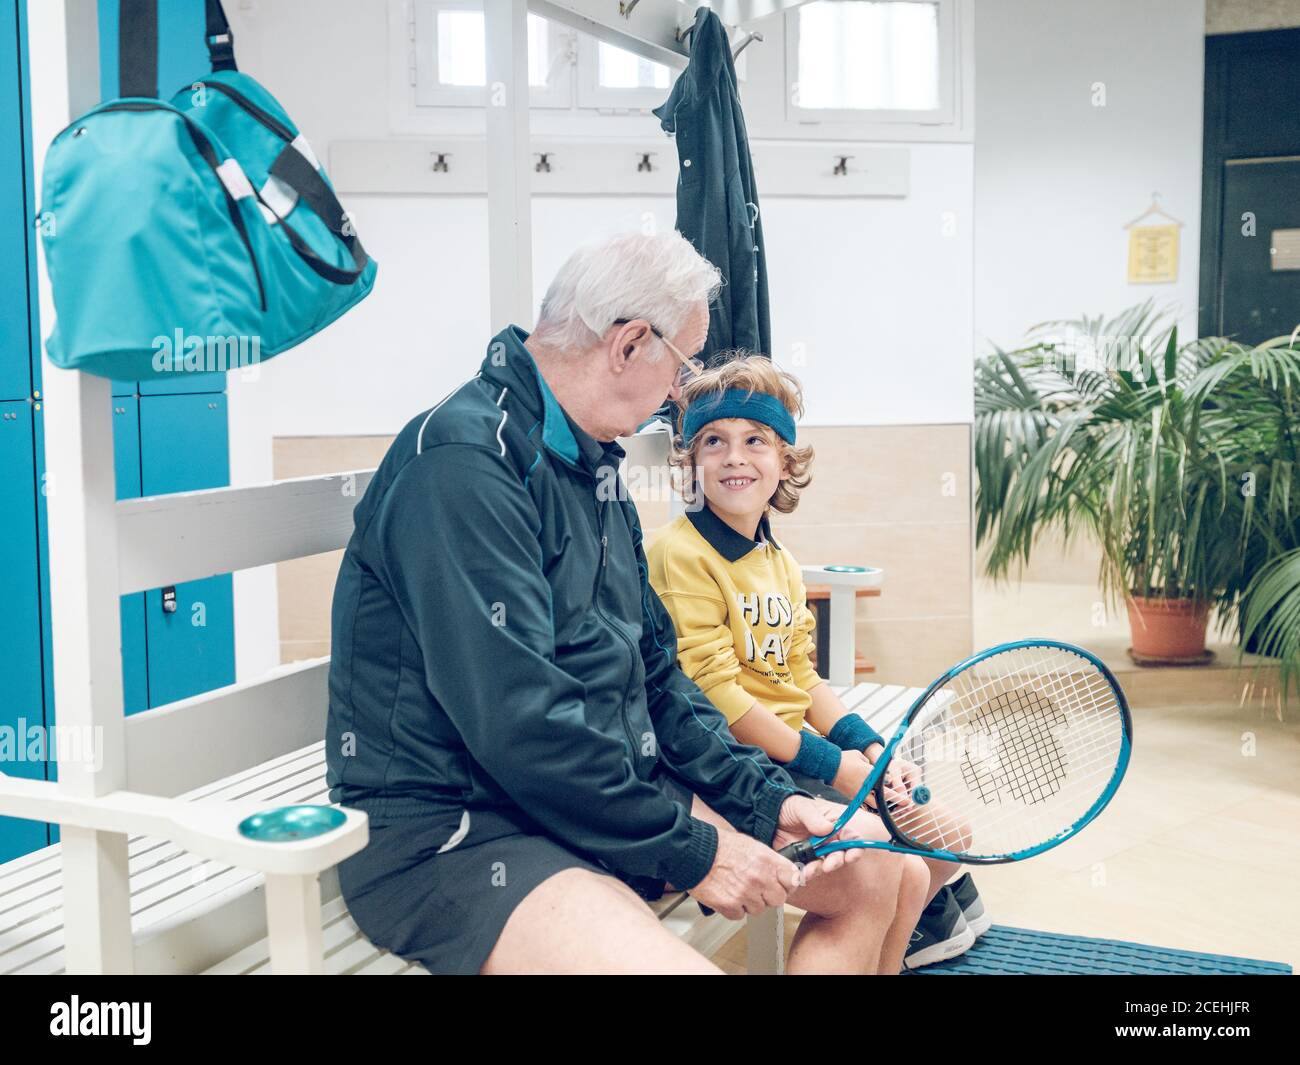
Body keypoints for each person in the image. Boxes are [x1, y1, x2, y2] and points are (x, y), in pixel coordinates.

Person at [325, 231, 925, 974]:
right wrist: (696, 848)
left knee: (879, 870)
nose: (682, 390)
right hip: (464, 828)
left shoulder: (593, 464)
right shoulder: (465, 466)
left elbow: (658, 675)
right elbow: (521, 728)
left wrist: (768, 800)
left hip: (600, 791)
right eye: (685, 364)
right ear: (631, 343)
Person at [646, 353, 989, 969]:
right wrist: (835, 766)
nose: (734, 457)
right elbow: (715, 697)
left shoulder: (776, 560)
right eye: (714, 442)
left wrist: (869, 748)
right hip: (732, 771)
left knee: (944, 842)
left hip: (792, 751)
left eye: (756, 440)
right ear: (692, 462)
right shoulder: (681, 554)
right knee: (892, 867)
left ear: (785, 462)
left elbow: (801, 675)